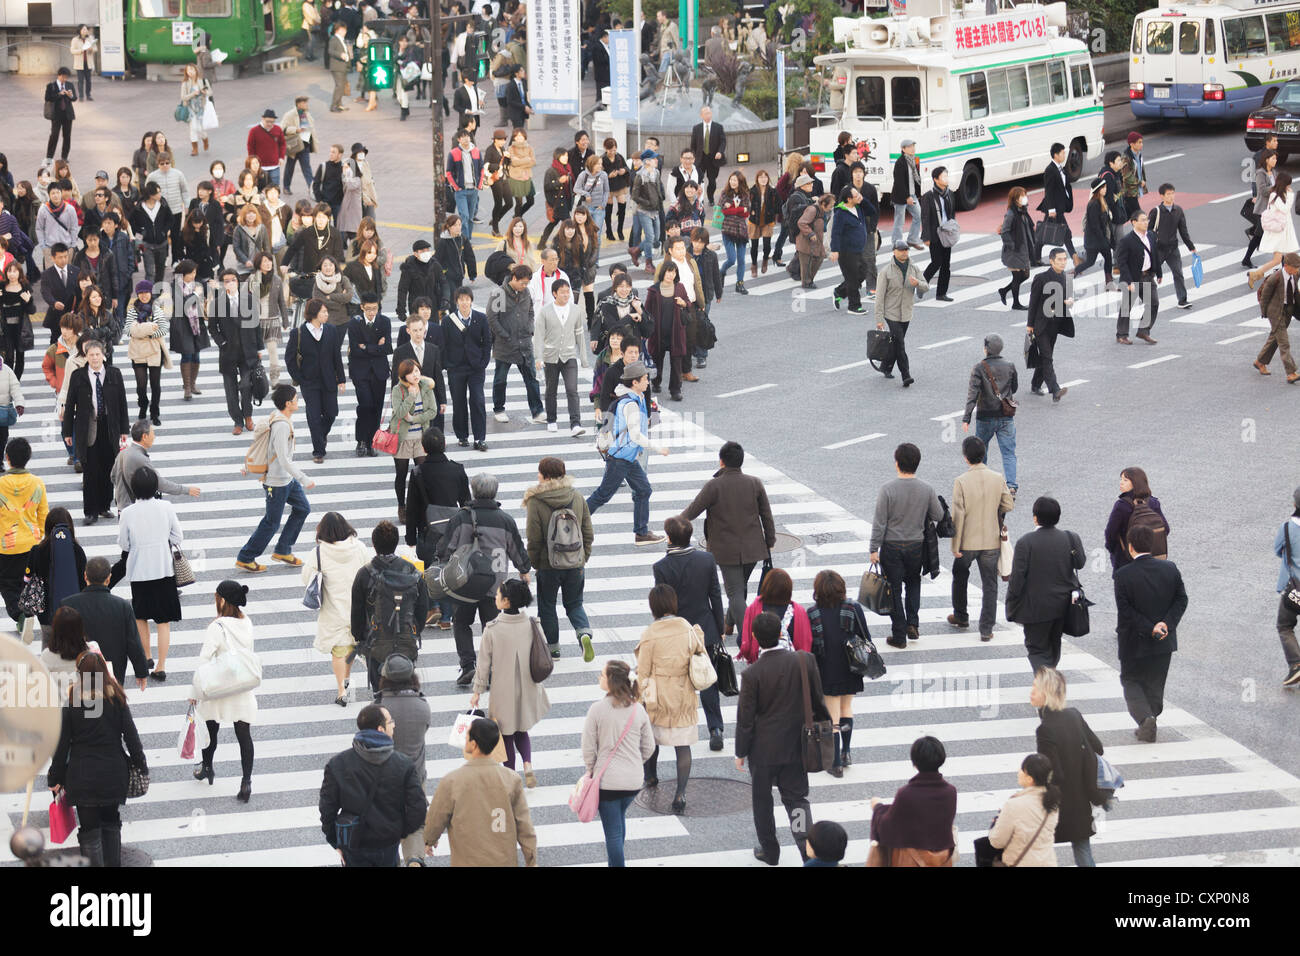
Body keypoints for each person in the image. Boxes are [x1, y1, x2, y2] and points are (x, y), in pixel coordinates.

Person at [736, 611, 829, 865]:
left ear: (754, 637)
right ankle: (806, 850)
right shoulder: (804, 661)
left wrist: (740, 752)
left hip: (762, 751)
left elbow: (746, 718)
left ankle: (770, 850)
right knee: (797, 801)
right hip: (797, 746)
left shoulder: (752, 674)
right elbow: (819, 701)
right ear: (781, 633)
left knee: (762, 801)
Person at [46, 652, 147, 867]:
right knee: (111, 822)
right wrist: (141, 766)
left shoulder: (72, 703)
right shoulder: (116, 700)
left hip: (82, 775)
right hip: (113, 772)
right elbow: (132, 738)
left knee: (89, 830)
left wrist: (54, 778)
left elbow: (62, 746)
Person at [438, 473, 530, 686]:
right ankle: (489, 669)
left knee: (460, 623)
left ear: (473, 490)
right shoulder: (505, 520)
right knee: (492, 627)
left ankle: (468, 665)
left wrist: (442, 567)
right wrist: (524, 570)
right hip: (494, 585)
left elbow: (445, 548)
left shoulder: (460, 518)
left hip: (463, 584)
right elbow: (516, 548)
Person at [678, 440, 776, 639]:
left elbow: (693, 510)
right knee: (739, 588)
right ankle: (728, 624)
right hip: (753, 548)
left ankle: (749, 638)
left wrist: (674, 522)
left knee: (735, 594)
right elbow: (766, 514)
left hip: (725, 550)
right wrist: (770, 539)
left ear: (721, 461)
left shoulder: (714, 485)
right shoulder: (754, 483)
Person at [320, 703, 427, 867]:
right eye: (390, 722)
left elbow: (327, 809)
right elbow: (418, 808)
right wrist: (399, 832)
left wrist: (336, 841)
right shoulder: (403, 764)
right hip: (387, 845)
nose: (394, 725)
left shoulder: (338, 764)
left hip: (353, 843)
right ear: (380, 729)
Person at [423, 716, 538, 866]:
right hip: (503, 860)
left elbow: (436, 817)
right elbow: (524, 825)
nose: (465, 736)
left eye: (467, 734)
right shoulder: (511, 779)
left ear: (474, 744)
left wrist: (429, 840)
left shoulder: (452, 781)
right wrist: (531, 859)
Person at [653, 516, 726, 750]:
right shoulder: (706, 560)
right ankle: (715, 728)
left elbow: (663, 606)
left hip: (676, 631)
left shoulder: (661, 567)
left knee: (678, 681)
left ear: (670, 538)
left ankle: (679, 728)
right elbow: (715, 595)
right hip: (705, 627)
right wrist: (720, 627)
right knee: (706, 681)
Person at [469, 578, 550, 788]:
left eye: (498, 595)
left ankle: (511, 777)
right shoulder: (532, 624)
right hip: (528, 686)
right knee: (522, 730)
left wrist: (477, 690)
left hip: (502, 689)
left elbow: (483, 664)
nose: (495, 598)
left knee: (505, 735)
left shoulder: (493, 629)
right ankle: (528, 764)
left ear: (505, 602)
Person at [187, 580, 259, 802]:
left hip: (219, 685)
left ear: (223, 600)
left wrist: (194, 691)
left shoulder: (216, 627)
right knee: (243, 735)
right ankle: (246, 781)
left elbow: (204, 660)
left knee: (211, 728)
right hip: (241, 684)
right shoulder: (246, 622)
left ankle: (207, 767)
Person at [1114, 524, 1188, 741]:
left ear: (1130, 547)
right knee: (1155, 682)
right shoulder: (1170, 569)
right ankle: (1150, 718)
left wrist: (1149, 627)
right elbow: (1181, 599)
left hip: (1133, 641)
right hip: (1164, 639)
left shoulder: (1123, 575)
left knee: (1131, 679)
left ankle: (1146, 719)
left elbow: (1125, 611)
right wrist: (1165, 624)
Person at [634, 584, 703, 814]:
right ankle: (680, 794)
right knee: (682, 746)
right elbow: (699, 653)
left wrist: (640, 698)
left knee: (652, 739)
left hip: (658, 693)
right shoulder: (686, 627)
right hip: (683, 692)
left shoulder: (650, 633)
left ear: (653, 607)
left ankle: (651, 776)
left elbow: (643, 672)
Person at [582, 659, 656, 866]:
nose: (599, 677)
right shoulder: (637, 710)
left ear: (612, 681)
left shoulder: (597, 710)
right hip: (632, 782)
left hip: (608, 782)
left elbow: (588, 748)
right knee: (618, 822)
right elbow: (649, 747)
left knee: (612, 834)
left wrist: (591, 770)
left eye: (602, 675)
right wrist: (634, 762)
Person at [586, 361, 668, 546]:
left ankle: (641, 533)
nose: (648, 381)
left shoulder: (635, 398)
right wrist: (658, 448)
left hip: (627, 457)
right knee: (602, 495)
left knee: (643, 490)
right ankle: (570, 520)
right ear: (635, 382)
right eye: (645, 379)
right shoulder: (630, 403)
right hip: (620, 458)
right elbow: (635, 435)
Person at [869, 443, 943, 648]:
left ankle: (899, 634)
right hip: (916, 546)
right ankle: (913, 624)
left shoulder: (887, 490)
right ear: (917, 464)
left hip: (891, 546)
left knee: (893, 589)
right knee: (913, 583)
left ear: (897, 464)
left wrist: (874, 549)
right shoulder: (927, 489)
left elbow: (880, 522)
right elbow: (939, 515)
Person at [236, 384, 315, 571]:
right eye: (295, 399)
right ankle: (246, 557)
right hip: (276, 482)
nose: (298, 401)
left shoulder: (282, 417)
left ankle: (283, 549)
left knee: (303, 509)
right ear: (288, 403)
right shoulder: (281, 425)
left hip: (286, 479)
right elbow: (283, 458)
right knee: (271, 522)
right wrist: (304, 479)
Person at [524, 456, 594, 660]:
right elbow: (587, 531)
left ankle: (553, 648)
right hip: (575, 562)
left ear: (545, 476)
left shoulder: (536, 501)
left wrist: (536, 563)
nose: (537, 476)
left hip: (549, 564)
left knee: (547, 605)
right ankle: (583, 632)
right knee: (574, 603)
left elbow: (533, 538)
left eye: (539, 472)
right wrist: (582, 557)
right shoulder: (577, 497)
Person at [1006, 496, 1086, 672]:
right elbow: (1080, 563)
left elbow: (1017, 578)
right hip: (1063, 604)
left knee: (1036, 648)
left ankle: (1046, 686)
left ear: (1035, 517)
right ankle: (1049, 679)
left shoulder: (1026, 542)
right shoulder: (1070, 538)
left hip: (1036, 607)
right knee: (1053, 644)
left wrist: (1012, 602)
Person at [1032, 667, 1102, 866]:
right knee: (1082, 849)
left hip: (1058, 802)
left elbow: (1052, 773)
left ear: (1046, 694)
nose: (1031, 692)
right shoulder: (1073, 715)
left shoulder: (1045, 729)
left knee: (1038, 850)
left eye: (1035, 688)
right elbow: (1097, 746)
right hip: (1080, 798)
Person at [949, 436, 1015, 643]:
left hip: (967, 541)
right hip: (991, 540)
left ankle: (961, 615)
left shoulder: (961, 481)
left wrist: (955, 545)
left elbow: (958, 516)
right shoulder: (997, 477)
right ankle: (986, 628)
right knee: (990, 584)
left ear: (966, 457)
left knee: (960, 574)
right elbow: (1008, 504)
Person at [351, 519, 426, 693]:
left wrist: (359, 637)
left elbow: (357, 612)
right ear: (396, 543)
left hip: (376, 641)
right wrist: (414, 629)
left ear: (374, 544)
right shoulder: (412, 571)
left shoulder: (365, 573)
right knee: (406, 688)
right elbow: (422, 608)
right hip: (406, 641)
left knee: (380, 693)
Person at [806, 570, 869, 777]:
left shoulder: (812, 613)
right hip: (851, 666)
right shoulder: (853, 608)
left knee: (831, 714)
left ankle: (835, 763)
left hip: (826, 668)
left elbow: (810, 645)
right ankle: (846, 752)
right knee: (846, 707)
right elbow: (865, 637)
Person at [302, 511, 370, 705]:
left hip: (334, 610)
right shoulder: (360, 548)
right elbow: (370, 572)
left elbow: (306, 578)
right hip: (359, 608)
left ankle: (342, 690)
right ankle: (373, 681)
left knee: (340, 651)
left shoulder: (318, 553)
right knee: (359, 645)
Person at [371, 653, 431, 863]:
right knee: (415, 823)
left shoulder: (378, 709)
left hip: (384, 779)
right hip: (415, 776)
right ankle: (414, 858)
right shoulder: (422, 706)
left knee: (386, 822)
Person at [61, 341, 126, 525]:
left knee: (108, 468)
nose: (95, 358)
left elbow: (122, 402)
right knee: (89, 471)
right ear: (86, 356)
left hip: (109, 427)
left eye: (97, 354)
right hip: (87, 428)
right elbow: (69, 404)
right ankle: (90, 511)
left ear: (103, 355)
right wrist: (67, 431)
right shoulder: (78, 376)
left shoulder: (114, 374)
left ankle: (104, 506)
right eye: (91, 355)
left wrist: (124, 430)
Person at [868, 736, 958, 867]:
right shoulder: (950, 791)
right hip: (942, 859)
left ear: (915, 762)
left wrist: (877, 808)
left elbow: (888, 827)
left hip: (912, 860)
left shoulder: (906, 793)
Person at [285, 300, 345, 464]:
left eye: (326, 312)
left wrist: (341, 378)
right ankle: (318, 451)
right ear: (314, 314)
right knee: (314, 416)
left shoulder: (331, 331)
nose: (327, 315)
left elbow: (336, 356)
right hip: (309, 382)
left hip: (329, 379)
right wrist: (300, 378)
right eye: (324, 312)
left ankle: (320, 435)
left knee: (332, 413)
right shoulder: (298, 333)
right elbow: (289, 359)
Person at [531, 278, 590, 436]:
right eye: (562, 292)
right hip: (550, 356)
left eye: (567, 291)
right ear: (554, 293)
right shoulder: (545, 311)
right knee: (551, 390)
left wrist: (583, 358)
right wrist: (538, 358)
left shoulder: (576, 310)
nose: (566, 294)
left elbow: (579, 333)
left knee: (572, 390)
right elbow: (538, 336)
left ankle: (575, 424)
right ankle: (551, 419)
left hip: (569, 355)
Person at [962, 334, 1019, 494]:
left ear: (986, 349)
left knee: (981, 451)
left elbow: (972, 395)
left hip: (985, 416)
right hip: (1006, 415)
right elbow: (1014, 388)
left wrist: (966, 418)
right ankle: (1011, 485)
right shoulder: (1010, 365)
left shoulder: (979, 368)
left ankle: (982, 484)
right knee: (1008, 452)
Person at [489, 263, 545, 424]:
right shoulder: (498, 293)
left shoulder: (526, 292)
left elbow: (531, 311)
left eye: (527, 283)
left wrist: (530, 328)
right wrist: (504, 335)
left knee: (531, 378)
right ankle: (499, 409)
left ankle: (538, 411)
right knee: (500, 379)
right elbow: (492, 318)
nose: (524, 286)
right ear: (514, 278)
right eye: (522, 282)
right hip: (504, 345)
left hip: (525, 344)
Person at [209, 269, 263, 435]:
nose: (230, 283)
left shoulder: (250, 300)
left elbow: (256, 325)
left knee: (246, 385)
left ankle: (248, 416)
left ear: (238, 282)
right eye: (226, 281)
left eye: (233, 280)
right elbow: (212, 327)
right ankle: (237, 421)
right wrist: (222, 342)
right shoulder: (216, 303)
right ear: (222, 284)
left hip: (248, 351)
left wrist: (259, 348)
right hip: (228, 352)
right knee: (230, 390)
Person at [983, 753, 1062, 867]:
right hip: (1047, 862)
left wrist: (994, 824)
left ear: (1030, 779)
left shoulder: (1014, 805)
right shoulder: (1053, 802)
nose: (1018, 772)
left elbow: (997, 841)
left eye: (1022, 769)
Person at [110, 420, 199, 518]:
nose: (154, 437)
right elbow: (158, 483)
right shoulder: (140, 458)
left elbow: (113, 477)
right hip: (135, 510)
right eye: (152, 433)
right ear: (144, 436)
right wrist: (186, 490)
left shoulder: (123, 453)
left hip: (122, 507)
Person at [443, 287, 492, 451]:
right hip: (456, 368)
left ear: (471, 300)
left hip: (476, 367)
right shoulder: (448, 320)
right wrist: (448, 364)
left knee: (477, 400)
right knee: (458, 402)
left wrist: (484, 361)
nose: (464, 302)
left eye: (467, 299)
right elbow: (444, 344)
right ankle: (462, 436)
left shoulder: (481, 318)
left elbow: (487, 342)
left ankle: (480, 438)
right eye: (461, 299)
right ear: (456, 301)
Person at [873, 241, 928, 385]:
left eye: (906, 250)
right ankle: (906, 375)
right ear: (894, 252)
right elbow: (879, 297)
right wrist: (879, 319)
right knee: (900, 344)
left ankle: (885, 366)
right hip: (891, 313)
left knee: (895, 343)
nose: (904, 252)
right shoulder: (886, 272)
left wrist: (918, 284)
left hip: (906, 313)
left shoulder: (914, 268)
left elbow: (926, 286)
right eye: (901, 250)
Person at [346, 292, 391, 456]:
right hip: (360, 371)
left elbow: (387, 348)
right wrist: (375, 347)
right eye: (369, 309)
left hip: (379, 371)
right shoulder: (354, 324)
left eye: (375, 309)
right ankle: (361, 441)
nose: (372, 312)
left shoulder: (384, 322)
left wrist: (366, 347)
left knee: (377, 407)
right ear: (362, 307)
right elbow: (355, 350)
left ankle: (372, 441)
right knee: (365, 405)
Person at [1102, 466, 1171, 573]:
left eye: (1125, 480)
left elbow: (1110, 533)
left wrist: (1114, 551)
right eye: (1121, 479)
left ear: (1135, 482)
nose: (1121, 483)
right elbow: (1165, 529)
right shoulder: (1153, 502)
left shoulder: (1122, 505)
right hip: (1152, 559)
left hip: (1125, 560)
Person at [1027, 248, 1073, 400]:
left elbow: (1067, 299)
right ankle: (1055, 390)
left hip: (1056, 324)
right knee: (1047, 357)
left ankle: (1035, 383)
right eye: (1059, 259)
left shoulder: (1066, 277)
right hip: (1041, 324)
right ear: (1052, 261)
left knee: (1046, 356)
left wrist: (1069, 302)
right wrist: (1029, 324)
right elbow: (1033, 302)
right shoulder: (1041, 278)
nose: (1063, 262)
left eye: (1064, 259)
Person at [738, 567, 812, 662]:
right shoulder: (798, 612)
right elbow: (806, 641)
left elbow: (742, 640)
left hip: (761, 668)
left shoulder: (755, 608)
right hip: (791, 669)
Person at [643, 261, 689, 401]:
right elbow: (647, 311)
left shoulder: (680, 287)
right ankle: (656, 382)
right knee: (657, 358)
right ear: (663, 272)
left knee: (676, 362)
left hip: (676, 331)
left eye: (673, 272)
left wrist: (684, 303)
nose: (671, 274)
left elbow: (688, 304)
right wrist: (645, 332)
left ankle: (675, 390)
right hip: (658, 332)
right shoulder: (654, 290)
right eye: (668, 271)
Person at [1116, 211, 1162, 345]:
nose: (1146, 222)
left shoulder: (1151, 236)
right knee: (1126, 307)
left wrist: (1159, 273)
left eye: (1146, 220)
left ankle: (1144, 330)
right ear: (1133, 222)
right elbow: (1122, 262)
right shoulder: (1126, 240)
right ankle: (1122, 334)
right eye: (1142, 220)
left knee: (1153, 303)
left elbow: (1155, 255)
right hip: (1133, 278)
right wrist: (1129, 282)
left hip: (1148, 276)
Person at [1255, 252, 1300, 383]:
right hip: (1275, 312)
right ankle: (1291, 373)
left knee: (1275, 337)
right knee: (1284, 342)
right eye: (1295, 267)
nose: (1297, 269)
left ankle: (1260, 361)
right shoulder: (1275, 278)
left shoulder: (1294, 274)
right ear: (1286, 266)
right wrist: (1264, 313)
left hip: (1288, 310)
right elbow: (1264, 297)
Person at [1150, 184, 1195, 310]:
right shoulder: (1156, 211)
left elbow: (1183, 231)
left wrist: (1190, 246)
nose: (1171, 196)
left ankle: (1182, 300)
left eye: (1172, 193)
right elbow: (1149, 231)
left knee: (1178, 273)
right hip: (1158, 249)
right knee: (1149, 274)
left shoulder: (1178, 210)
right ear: (1162, 196)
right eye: (1168, 194)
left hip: (1173, 249)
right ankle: (1142, 295)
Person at [1036, 142, 1080, 265]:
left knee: (1043, 233)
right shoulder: (1050, 170)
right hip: (1054, 208)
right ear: (1056, 155)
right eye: (1062, 153)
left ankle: (1035, 257)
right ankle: (1075, 259)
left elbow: (1065, 186)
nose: (1064, 155)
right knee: (1065, 233)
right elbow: (1048, 191)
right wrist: (1051, 210)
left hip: (1059, 207)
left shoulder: (1061, 168)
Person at [1273, 487, 1300, 687]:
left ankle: (1296, 664)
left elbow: (1278, 549)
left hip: (1294, 589)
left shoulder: (1286, 528)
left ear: (1294, 504)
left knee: (1285, 625)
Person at [919, 166, 955, 302]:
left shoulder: (950, 194)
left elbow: (952, 214)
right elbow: (925, 217)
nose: (946, 179)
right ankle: (922, 285)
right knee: (936, 262)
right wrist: (926, 236)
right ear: (935, 179)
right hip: (934, 234)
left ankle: (941, 293)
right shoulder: (928, 196)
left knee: (946, 264)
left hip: (947, 233)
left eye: (947, 176)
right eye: (943, 176)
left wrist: (953, 229)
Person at [999, 186, 1035, 310]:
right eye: (1021, 196)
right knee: (1017, 276)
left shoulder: (1023, 211)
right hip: (1014, 251)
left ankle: (1004, 291)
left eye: (1025, 195)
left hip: (1023, 249)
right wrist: (1012, 245)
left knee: (1025, 275)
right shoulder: (1011, 214)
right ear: (1015, 199)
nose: (1025, 198)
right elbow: (1004, 231)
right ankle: (1015, 303)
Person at [629, 150, 665, 271]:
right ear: (647, 162)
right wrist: (647, 203)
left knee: (656, 237)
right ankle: (648, 263)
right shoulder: (640, 176)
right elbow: (634, 195)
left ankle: (636, 250)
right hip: (644, 210)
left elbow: (659, 187)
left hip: (655, 209)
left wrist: (661, 199)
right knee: (650, 237)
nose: (657, 160)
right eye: (654, 159)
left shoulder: (657, 173)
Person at [1244, 148, 1278, 269]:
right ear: (1267, 160)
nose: (1275, 161)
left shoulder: (1273, 172)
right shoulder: (1260, 173)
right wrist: (1276, 189)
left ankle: (1246, 258)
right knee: (1261, 235)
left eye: (1276, 158)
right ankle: (1279, 260)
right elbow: (1263, 191)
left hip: (1272, 208)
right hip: (1263, 209)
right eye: (1273, 158)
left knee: (1261, 235)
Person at [795, 193, 835, 290]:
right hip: (806, 242)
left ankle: (808, 280)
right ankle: (806, 282)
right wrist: (810, 233)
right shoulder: (813, 210)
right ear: (824, 203)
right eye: (831, 205)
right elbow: (801, 222)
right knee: (806, 263)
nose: (831, 208)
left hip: (816, 242)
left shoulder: (822, 211)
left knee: (819, 258)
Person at [689, 105, 726, 204]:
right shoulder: (696, 128)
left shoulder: (718, 127)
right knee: (698, 180)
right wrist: (692, 157)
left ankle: (710, 197)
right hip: (700, 159)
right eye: (706, 113)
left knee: (712, 181)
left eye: (709, 113)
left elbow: (723, 142)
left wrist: (720, 152)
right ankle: (699, 199)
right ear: (701, 115)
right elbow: (693, 145)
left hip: (713, 159)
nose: (708, 115)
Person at [890, 139, 923, 249]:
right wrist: (906, 197)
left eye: (913, 146)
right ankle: (896, 243)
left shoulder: (913, 160)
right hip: (901, 196)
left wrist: (915, 194)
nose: (912, 148)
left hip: (912, 194)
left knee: (918, 215)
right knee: (900, 220)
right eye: (909, 147)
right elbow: (899, 182)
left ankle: (912, 239)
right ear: (903, 149)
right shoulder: (900, 162)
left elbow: (916, 178)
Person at [283, 96, 316, 197]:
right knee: (290, 167)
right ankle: (286, 187)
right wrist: (296, 130)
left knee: (307, 168)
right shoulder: (290, 115)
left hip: (305, 145)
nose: (307, 105)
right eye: (305, 103)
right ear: (299, 104)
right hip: (294, 146)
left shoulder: (307, 114)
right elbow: (283, 128)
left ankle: (311, 188)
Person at [44, 67, 77, 165]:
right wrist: (59, 94)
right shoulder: (51, 86)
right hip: (56, 115)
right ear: (59, 75)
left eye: (67, 77)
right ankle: (49, 157)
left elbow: (74, 98)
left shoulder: (69, 85)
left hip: (68, 115)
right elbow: (47, 98)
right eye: (64, 77)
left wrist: (70, 95)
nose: (65, 79)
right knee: (54, 136)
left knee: (67, 136)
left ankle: (64, 157)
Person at [179, 65, 210, 156]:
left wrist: (205, 93)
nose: (190, 72)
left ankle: (205, 139)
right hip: (190, 109)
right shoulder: (185, 83)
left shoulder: (203, 81)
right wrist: (192, 94)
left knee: (200, 128)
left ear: (196, 70)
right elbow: (183, 97)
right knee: (193, 128)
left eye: (192, 69)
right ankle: (195, 149)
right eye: (188, 70)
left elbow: (210, 92)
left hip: (201, 109)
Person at [328, 21, 352, 113]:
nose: (344, 32)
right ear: (337, 30)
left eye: (345, 30)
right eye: (342, 30)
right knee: (339, 86)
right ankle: (334, 105)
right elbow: (330, 51)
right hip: (337, 66)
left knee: (342, 86)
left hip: (343, 66)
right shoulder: (334, 39)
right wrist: (340, 54)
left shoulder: (342, 39)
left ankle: (339, 104)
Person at [70, 25, 96, 101]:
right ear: (80, 30)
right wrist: (81, 50)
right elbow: (72, 51)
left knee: (89, 80)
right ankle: (81, 96)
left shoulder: (90, 39)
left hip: (88, 63)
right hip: (79, 64)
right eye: (84, 29)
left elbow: (95, 48)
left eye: (86, 29)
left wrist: (91, 49)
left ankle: (88, 95)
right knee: (80, 81)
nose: (85, 31)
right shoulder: (75, 40)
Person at [504, 65, 533, 130]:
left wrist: (529, 107)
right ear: (516, 73)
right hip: (515, 112)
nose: (524, 72)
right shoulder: (510, 85)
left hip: (522, 111)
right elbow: (510, 101)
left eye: (523, 70)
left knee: (519, 131)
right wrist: (524, 107)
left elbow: (524, 98)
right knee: (518, 131)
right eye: (521, 70)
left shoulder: (524, 82)